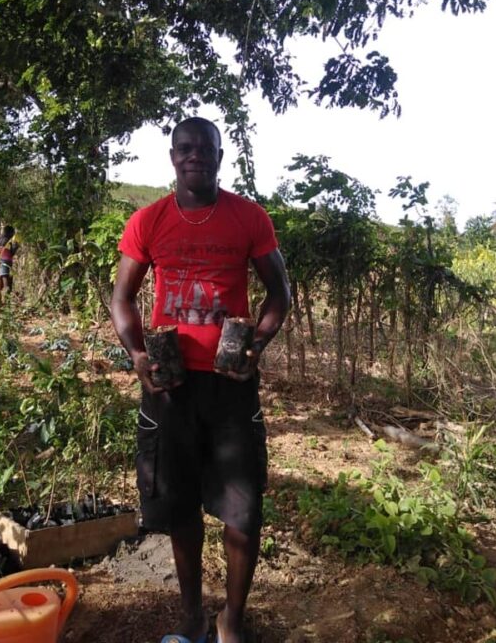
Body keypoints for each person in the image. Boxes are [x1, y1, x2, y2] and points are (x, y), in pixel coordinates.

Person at [111, 117, 290, 643]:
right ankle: (190, 615)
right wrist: (138, 354)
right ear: (172, 157)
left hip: (230, 384)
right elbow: (122, 297)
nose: (194, 156)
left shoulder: (248, 218)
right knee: (180, 502)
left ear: (219, 155)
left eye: (203, 148)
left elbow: (278, 294)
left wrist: (255, 344)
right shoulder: (148, 221)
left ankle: (230, 619)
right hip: (170, 385)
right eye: (184, 149)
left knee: (242, 510)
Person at [0, 225, 19, 306]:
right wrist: (16, 246)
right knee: (7, 284)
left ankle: (0, 302)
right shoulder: (8, 241)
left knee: (0, 283)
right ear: (10, 232)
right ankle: (6, 303)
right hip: (6, 262)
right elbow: (12, 252)